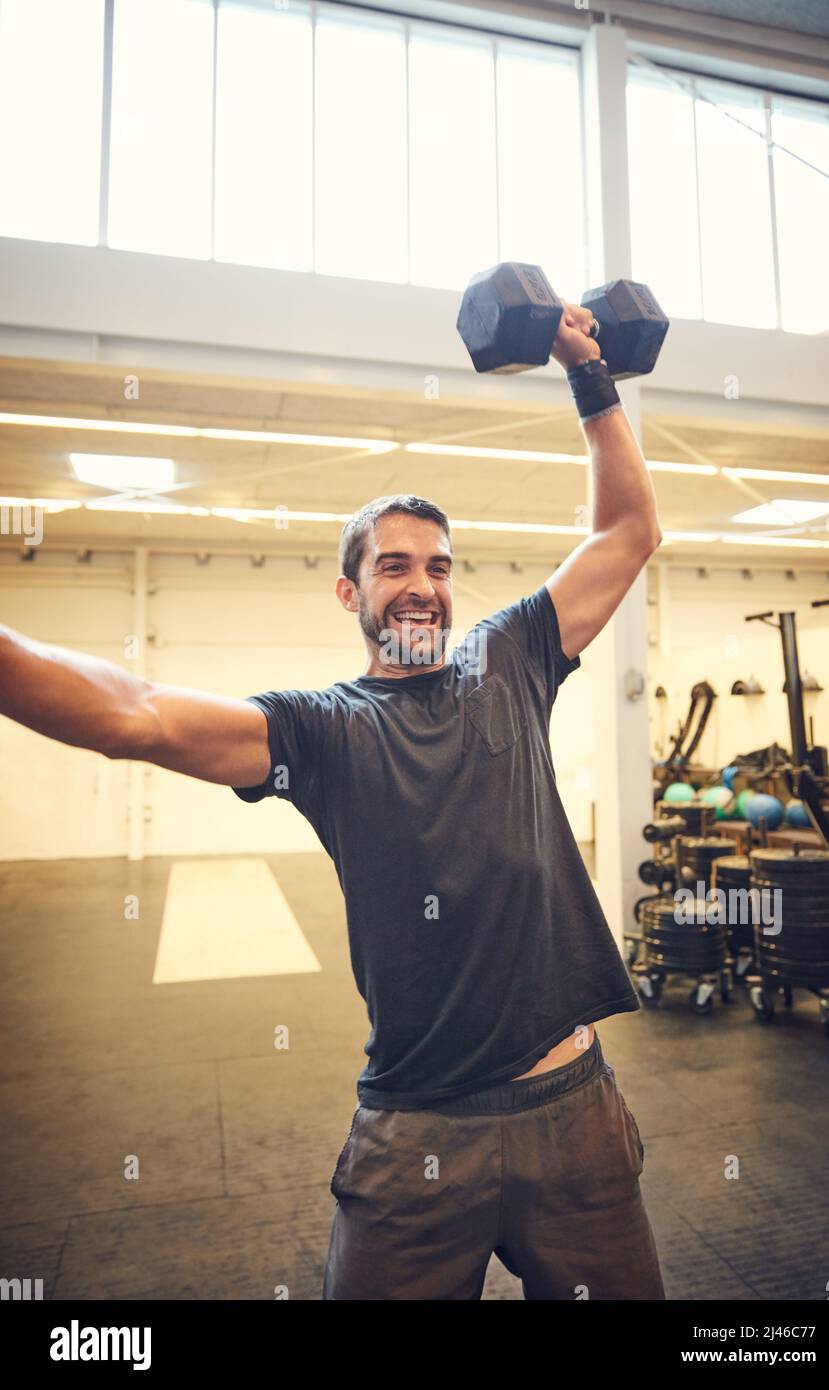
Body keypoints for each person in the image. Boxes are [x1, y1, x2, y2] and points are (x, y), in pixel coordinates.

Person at [0, 304, 665, 1300]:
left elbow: (627, 529)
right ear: (349, 594)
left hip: (572, 1114)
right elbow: (133, 712)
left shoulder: (513, 656)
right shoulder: (318, 731)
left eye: (437, 566)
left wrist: (586, 371)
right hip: (415, 1133)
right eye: (391, 565)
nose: (421, 587)